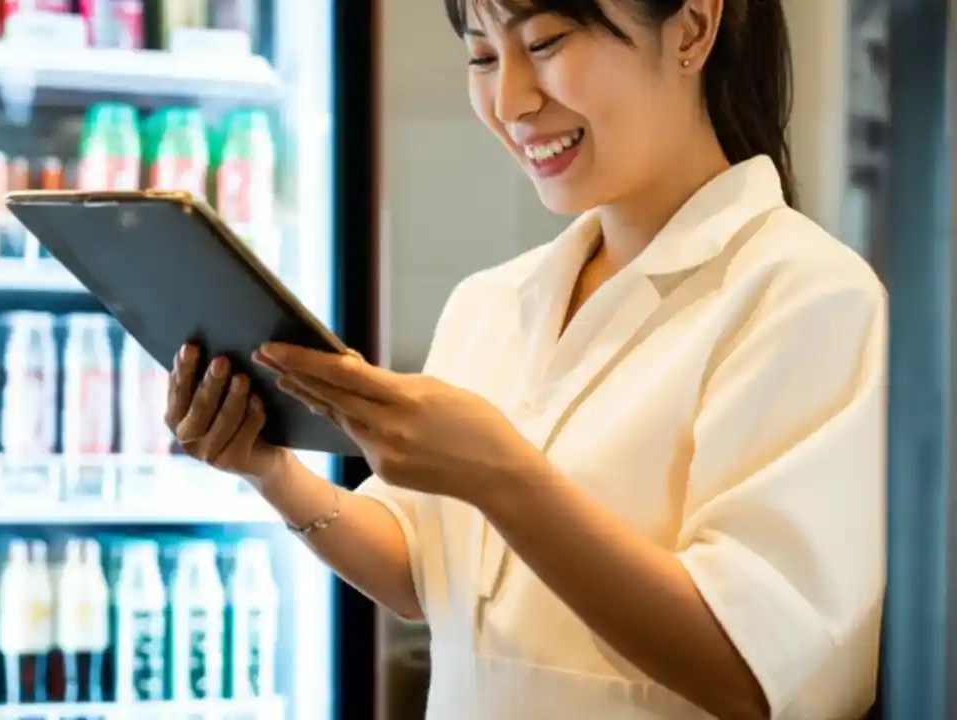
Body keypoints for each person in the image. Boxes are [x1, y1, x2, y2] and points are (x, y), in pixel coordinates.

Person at [165, 0, 885, 717]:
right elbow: (423, 573)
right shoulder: (492, 302)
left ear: (692, 28)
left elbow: (756, 676)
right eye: (481, 56)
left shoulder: (805, 294)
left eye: (544, 43)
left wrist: (501, 477)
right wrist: (271, 471)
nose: (509, 101)